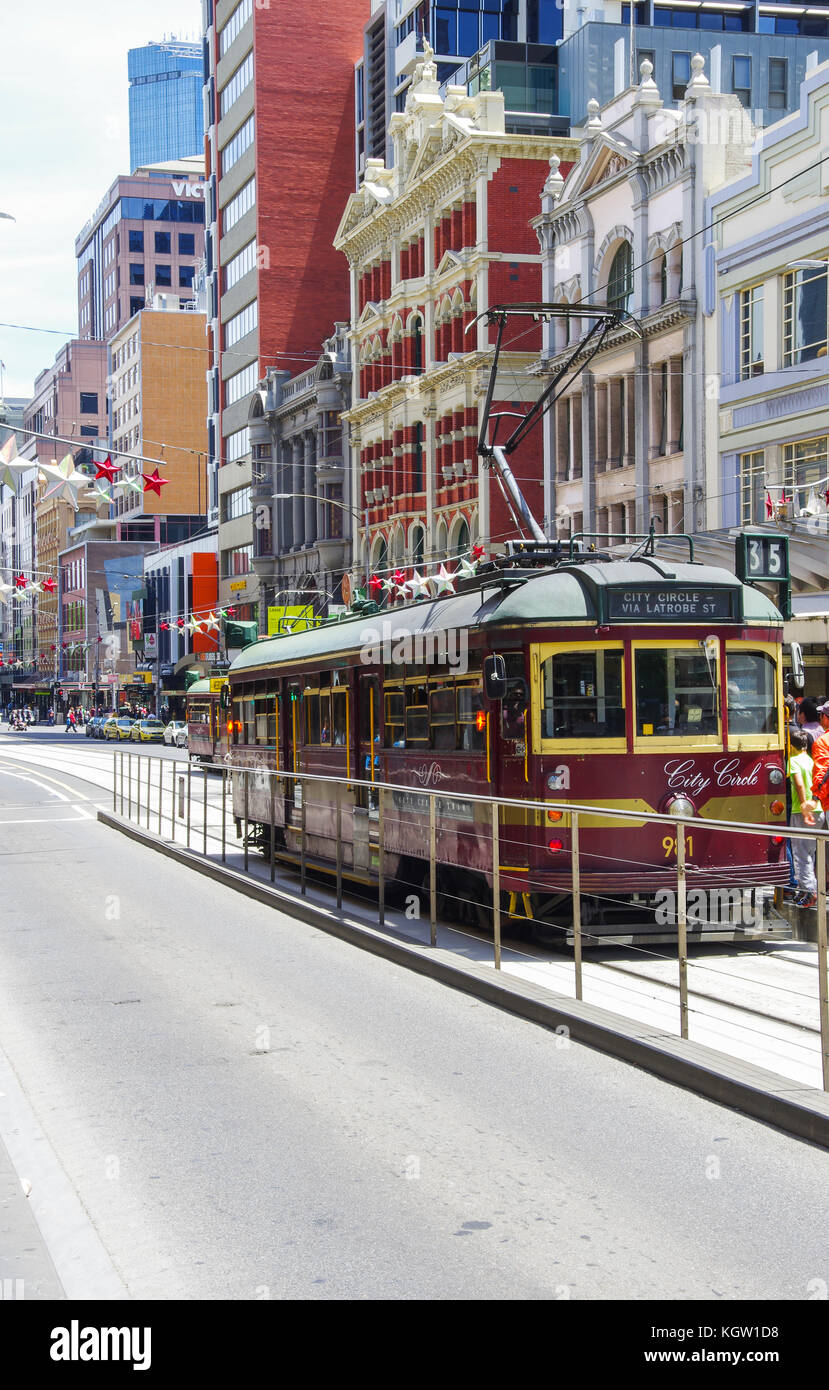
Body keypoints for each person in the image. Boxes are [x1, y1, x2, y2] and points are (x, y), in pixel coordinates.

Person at [788, 728, 820, 907]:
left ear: (791, 745)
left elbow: (799, 784)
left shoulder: (793, 761)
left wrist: (803, 805)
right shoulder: (811, 761)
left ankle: (810, 893)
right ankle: (807, 889)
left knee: (801, 854)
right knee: (810, 852)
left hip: (801, 811)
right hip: (819, 808)